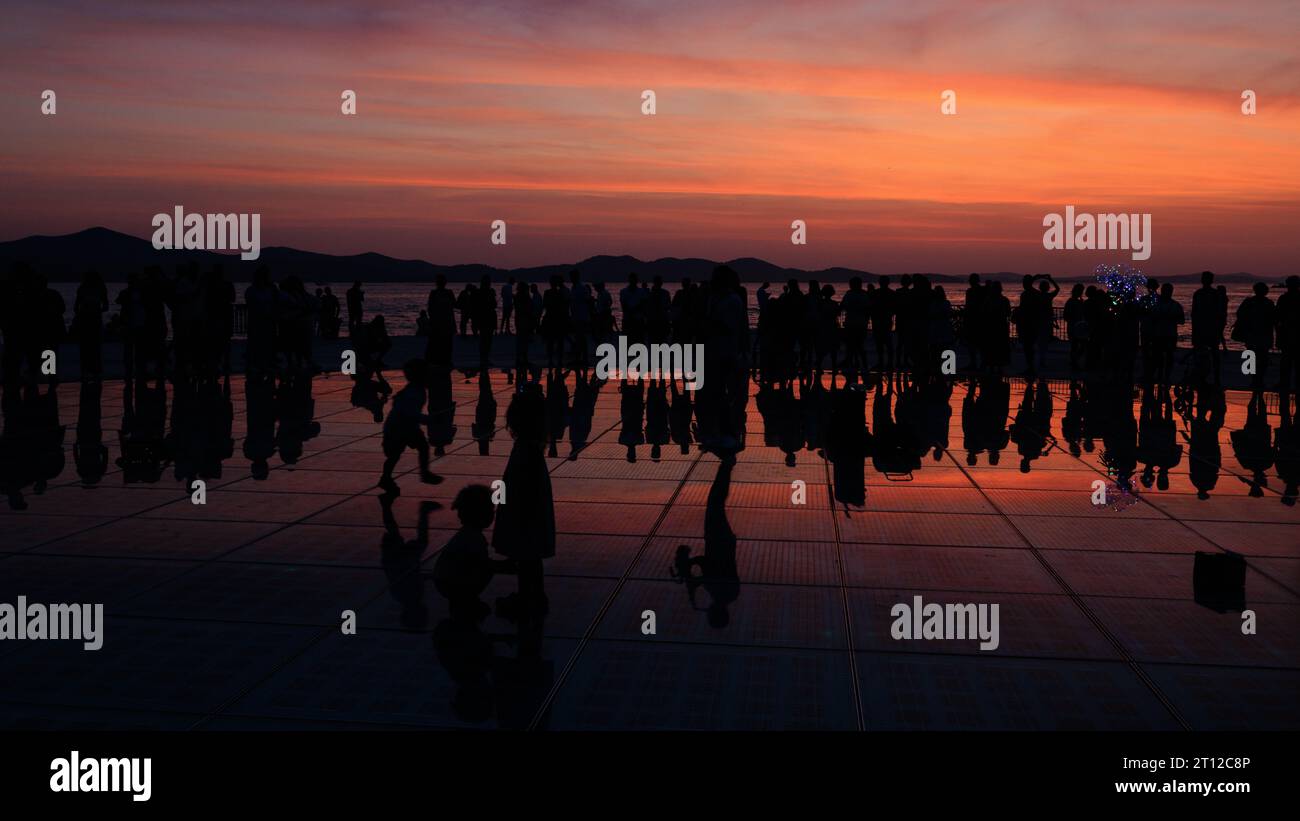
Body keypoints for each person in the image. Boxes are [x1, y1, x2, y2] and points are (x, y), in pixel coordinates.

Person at [492, 385, 556, 617]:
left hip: (525, 511)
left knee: (527, 558)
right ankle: (531, 596)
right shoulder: (532, 446)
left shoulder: (525, 450)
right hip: (529, 510)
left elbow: (521, 484)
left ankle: (529, 598)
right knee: (530, 559)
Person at [431, 484, 514, 620]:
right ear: (481, 514)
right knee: (484, 570)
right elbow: (482, 564)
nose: (493, 514)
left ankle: (460, 602)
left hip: (443, 581)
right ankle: (466, 600)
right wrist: (506, 567)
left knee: (477, 568)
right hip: (453, 583)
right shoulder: (474, 538)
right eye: (490, 510)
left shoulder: (465, 534)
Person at [377, 359, 444, 495]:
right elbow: (410, 413)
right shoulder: (415, 392)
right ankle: (389, 477)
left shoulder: (414, 390)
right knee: (397, 455)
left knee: (412, 450)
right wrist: (428, 420)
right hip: (399, 428)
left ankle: (387, 478)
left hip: (403, 427)